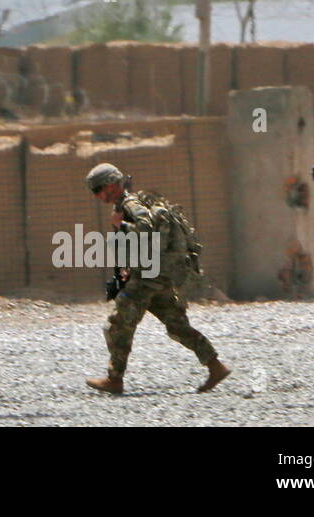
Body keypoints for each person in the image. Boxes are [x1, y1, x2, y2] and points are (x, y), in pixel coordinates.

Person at [84, 162, 230, 395]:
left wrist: (120, 224)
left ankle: (115, 379)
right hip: (158, 276)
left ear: (111, 185)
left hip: (147, 279)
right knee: (176, 325)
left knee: (118, 324)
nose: (98, 195)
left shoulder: (130, 205)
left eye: (98, 189)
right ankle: (215, 366)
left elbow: (148, 230)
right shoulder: (129, 203)